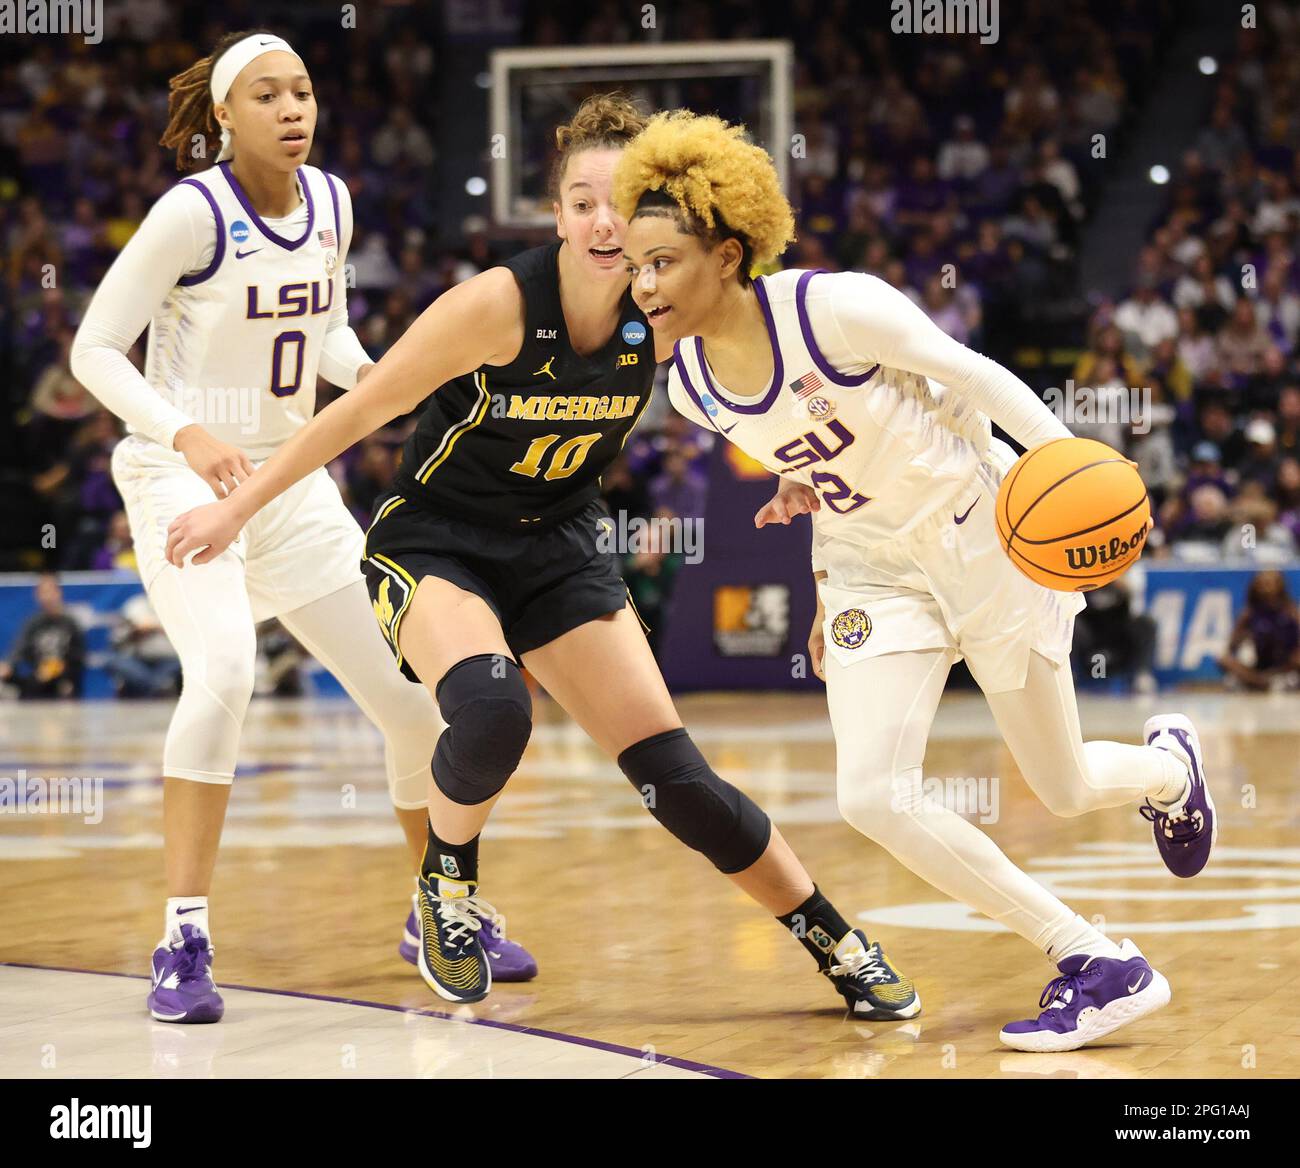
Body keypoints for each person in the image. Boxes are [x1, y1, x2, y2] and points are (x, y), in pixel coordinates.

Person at [165, 94, 920, 1019]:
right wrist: (235, 510)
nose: (603, 223)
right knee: (491, 710)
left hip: (560, 549)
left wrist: (792, 464)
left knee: (676, 781)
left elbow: (755, 381)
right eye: (579, 203)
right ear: (555, 214)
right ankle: (445, 892)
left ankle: (836, 941)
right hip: (438, 543)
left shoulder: (664, 314)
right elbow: (355, 413)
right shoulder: (495, 304)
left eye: (620, 204)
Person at [617, 109, 1217, 1053]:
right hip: (868, 568)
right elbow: (814, 461)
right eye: (637, 267)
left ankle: (1170, 772)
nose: (644, 285)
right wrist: (819, 570)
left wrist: (1066, 462)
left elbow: (973, 378)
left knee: (1059, 785)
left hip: (981, 538)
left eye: (664, 263)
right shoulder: (689, 381)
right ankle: (1095, 961)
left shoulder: (835, 307)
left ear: (729, 253)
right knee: (871, 795)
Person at [69, 29, 536, 1025]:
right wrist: (184, 431)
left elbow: (318, 329)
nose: (294, 110)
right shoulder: (188, 214)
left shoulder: (330, 200)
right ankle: (182, 936)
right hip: (180, 481)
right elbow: (95, 349)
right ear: (223, 117)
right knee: (226, 674)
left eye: (305, 92)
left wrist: (366, 374)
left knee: (415, 704)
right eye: (269, 95)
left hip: (290, 482)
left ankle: (436, 911)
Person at [0, 572, 85, 699]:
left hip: (63, 678)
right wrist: (8, 664)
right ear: (37, 595)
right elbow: (19, 648)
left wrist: (58, 669)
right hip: (37, 677)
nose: (47, 597)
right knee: (18, 682)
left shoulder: (70, 623)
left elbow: (78, 657)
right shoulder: (33, 623)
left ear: (58, 592)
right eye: (42, 592)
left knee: (63, 685)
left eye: (50, 591)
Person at [1218, 570, 1300, 691]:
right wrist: (1242, 638)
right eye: (1262, 583)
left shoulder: (1291, 611)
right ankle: (1262, 683)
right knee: (1224, 660)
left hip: (1286, 666)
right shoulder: (1249, 614)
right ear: (1255, 586)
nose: (1267, 587)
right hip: (1260, 667)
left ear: (1280, 585)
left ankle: (1272, 682)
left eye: (1270, 583)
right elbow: (1231, 648)